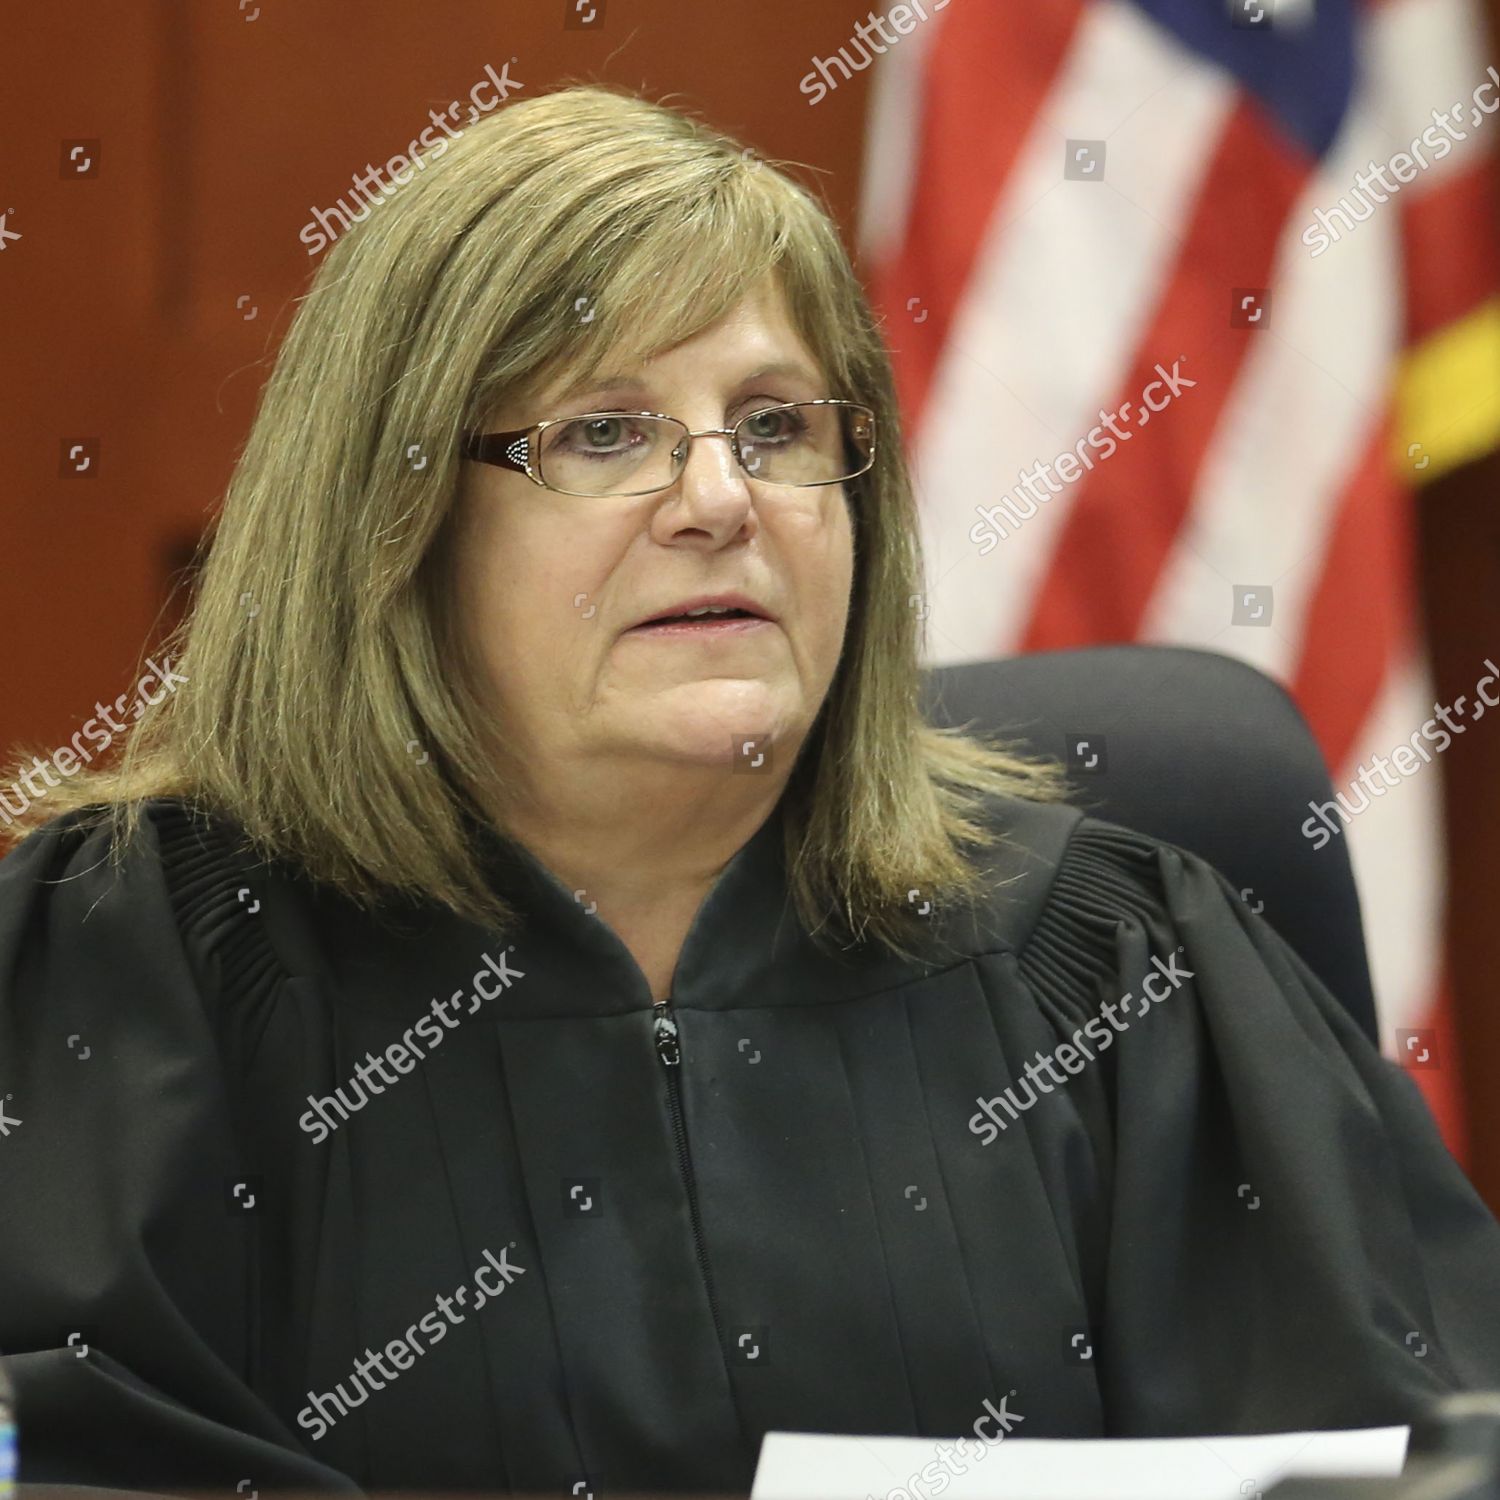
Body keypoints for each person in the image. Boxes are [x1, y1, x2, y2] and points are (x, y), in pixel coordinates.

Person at [1, 81, 1498, 1496]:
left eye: (778, 426)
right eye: (605, 433)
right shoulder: (135, 971)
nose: (722, 501)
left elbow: (1417, 1447)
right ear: (395, 525)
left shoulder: (1113, 965)